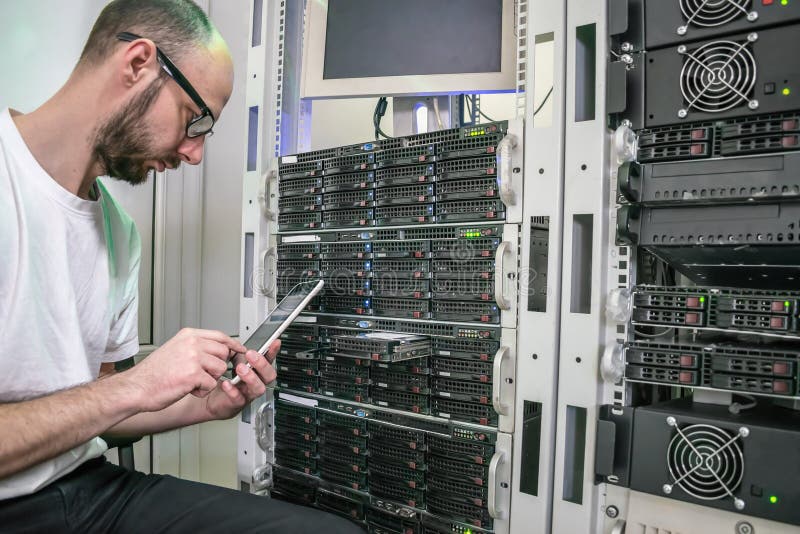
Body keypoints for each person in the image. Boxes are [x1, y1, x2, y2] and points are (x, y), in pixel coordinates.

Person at [0, 1, 363, 532]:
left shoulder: (119, 232)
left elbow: (104, 414)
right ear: (138, 63)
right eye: (197, 121)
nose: (194, 154)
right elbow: (115, 396)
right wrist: (135, 384)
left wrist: (204, 406)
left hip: (87, 487)